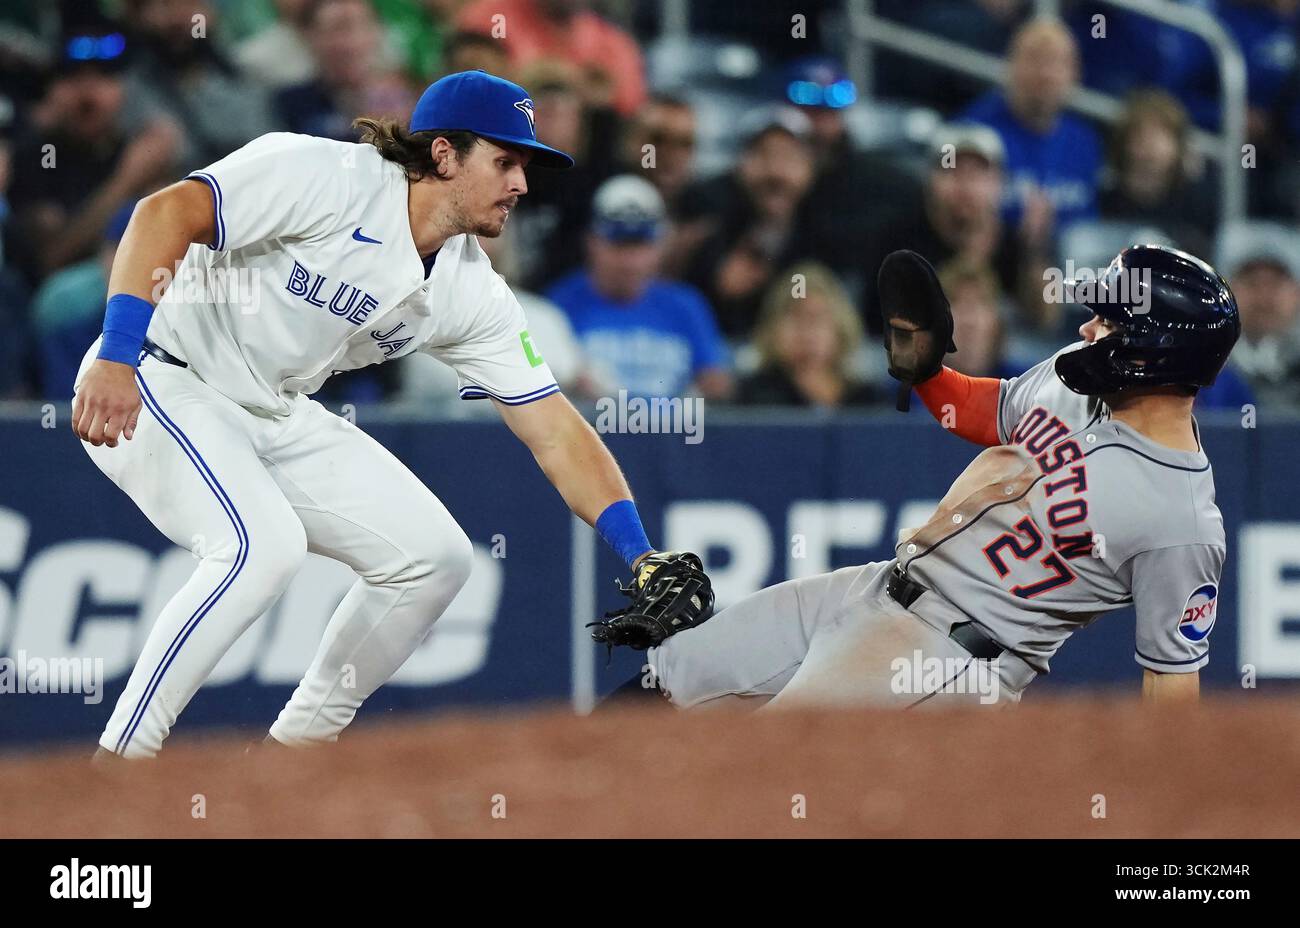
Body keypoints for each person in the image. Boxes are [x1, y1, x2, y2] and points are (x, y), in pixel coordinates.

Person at [71, 70, 711, 760]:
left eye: (524, 165)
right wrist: (116, 354)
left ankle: (293, 759)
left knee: (434, 559)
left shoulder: (469, 290)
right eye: (504, 161)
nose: (521, 183)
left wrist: (641, 553)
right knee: (262, 548)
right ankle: (120, 765)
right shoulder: (322, 173)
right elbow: (164, 213)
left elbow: (553, 427)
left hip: (273, 408)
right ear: (443, 154)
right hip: (162, 373)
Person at [595, 245, 1238, 709]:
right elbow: (990, 411)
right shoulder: (1077, 372)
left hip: (952, 657)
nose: (1087, 326)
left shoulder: (1180, 519)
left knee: (772, 779)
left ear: (1154, 353)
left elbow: (1172, 684)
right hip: (877, 589)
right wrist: (929, 374)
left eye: (1109, 321)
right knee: (667, 679)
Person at [9, 24, 181, 279]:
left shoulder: (133, 146)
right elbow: (51, 259)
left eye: (103, 76)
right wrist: (127, 181)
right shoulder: (34, 158)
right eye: (73, 77)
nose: (88, 92)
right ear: (52, 92)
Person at [546, 175, 731, 402]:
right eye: (618, 245)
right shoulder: (560, 303)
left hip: (670, 434)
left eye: (640, 245)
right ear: (592, 242)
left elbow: (716, 381)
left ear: (661, 246)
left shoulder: (686, 306)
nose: (630, 262)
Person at [861, 123, 1052, 334]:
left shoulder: (1015, 240)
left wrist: (1034, 248)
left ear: (999, 183)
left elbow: (1044, 320)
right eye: (952, 171)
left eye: (977, 173)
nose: (965, 185)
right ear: (931, 180)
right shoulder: (900, 243)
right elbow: (880, 325)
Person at [674, 106, 818, 339]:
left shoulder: (826, 230)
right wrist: (716, 288)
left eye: (789, 157)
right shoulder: (709, 221)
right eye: (763, 155)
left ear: (809, 168)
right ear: (741, 165)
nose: (776, 172)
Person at [960, 18, 1101, 236]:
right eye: (1034, 59)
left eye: (1056, 62)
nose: (1045, 74)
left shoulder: (1085, 142)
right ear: (1010, 64)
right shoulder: (972, 134)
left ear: (1075, 75)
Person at [122, 0, 276, 168]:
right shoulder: (129, 91)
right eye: (164, 5)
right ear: (138, 16)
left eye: (190, 4)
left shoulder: (243, 78)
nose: (177, 18)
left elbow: (270, 152)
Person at [455, 0, 645, 116]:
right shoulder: (487, 18)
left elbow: (629, 113)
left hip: (582, 168)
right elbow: (461, 93)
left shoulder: (615, 46)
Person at [736, 262, 878, 408]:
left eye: (817, 318)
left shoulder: (867, 400)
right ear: (772, 329)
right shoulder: (752, 399)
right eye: (796, 317)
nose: (806, 331)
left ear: (841, 330)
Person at [273, 0, 417, 142]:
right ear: (309, 35)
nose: (354, 43)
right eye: (338, 29)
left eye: (364, 26)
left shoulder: (405, 97)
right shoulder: (290, 105)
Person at [1098, 89, 1216, 257]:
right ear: (1124, 143)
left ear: (1178, 144)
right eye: (1141, 136)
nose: (1151, 145)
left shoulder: (1198, 201)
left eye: (1162, 136)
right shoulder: (1106, 199)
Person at [1216, 221, 1300, 411]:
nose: (1263, 297)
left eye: (1275, 284)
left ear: (1297, 292)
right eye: (1251, 282)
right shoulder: (1199, 372)